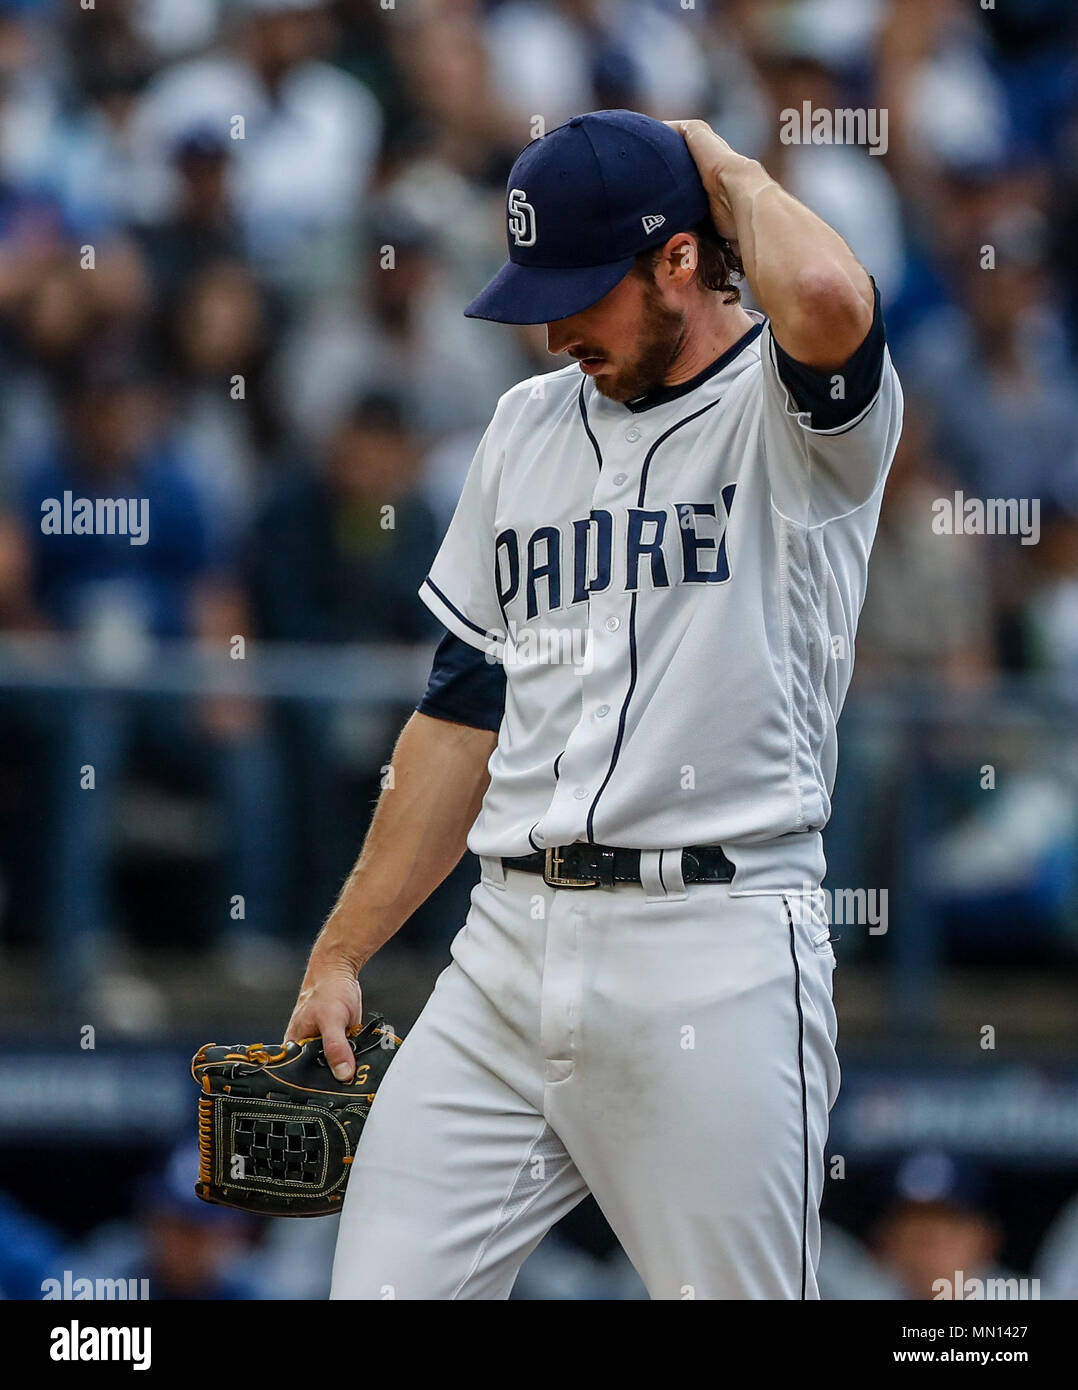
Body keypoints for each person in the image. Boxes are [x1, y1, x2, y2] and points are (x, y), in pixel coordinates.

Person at [286, 110, 903, 1300]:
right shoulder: (523, 428)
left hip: (712, 946)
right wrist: (340, 948)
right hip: (505, 949)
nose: (554, 326)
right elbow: (462, 715)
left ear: (680, 256)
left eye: (581, 289)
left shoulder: (791, 417)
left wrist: (719, 166)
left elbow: (825, 291)